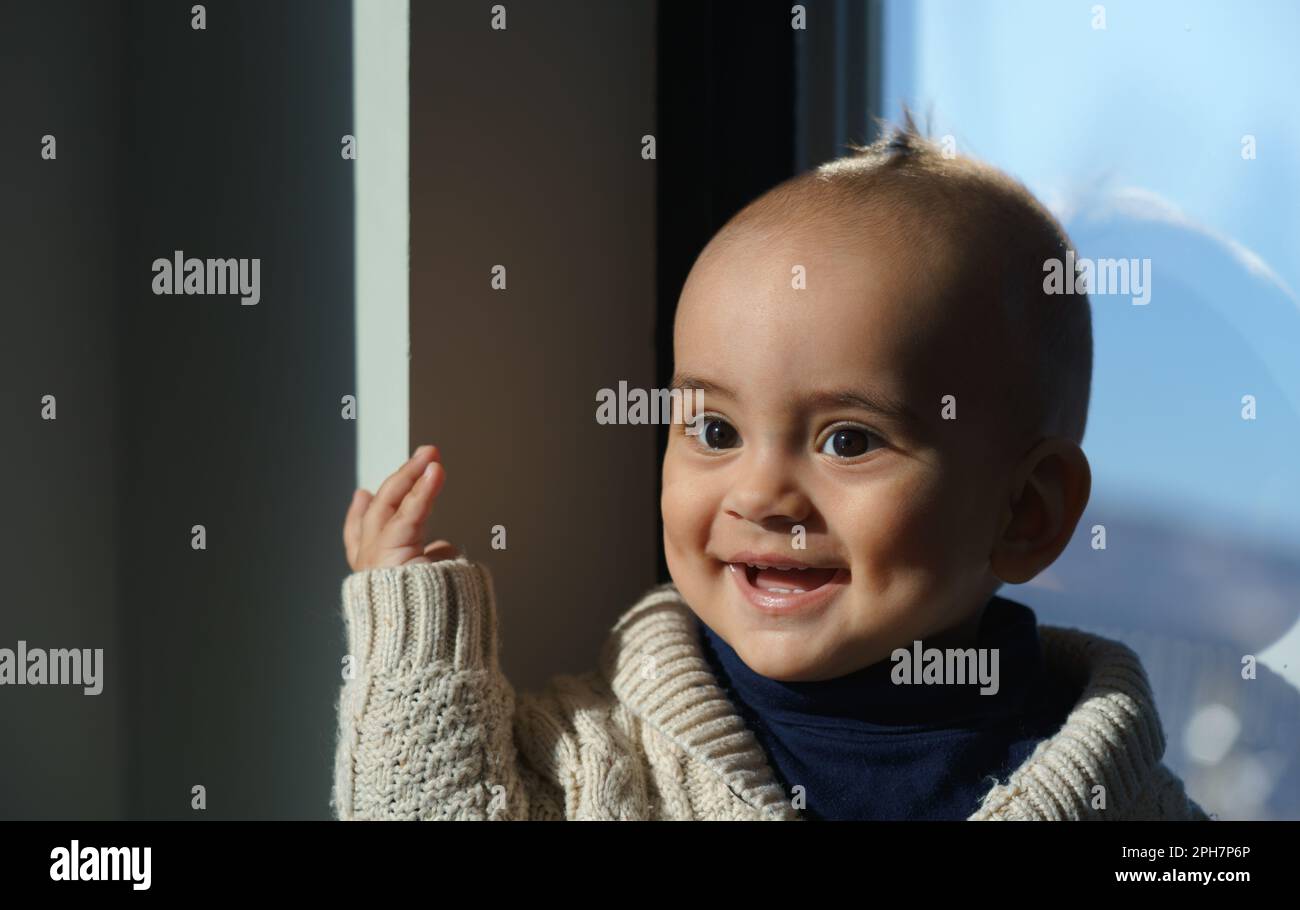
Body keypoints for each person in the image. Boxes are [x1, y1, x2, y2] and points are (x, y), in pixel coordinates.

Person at [331, 115, 1209, 820]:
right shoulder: (598, 749)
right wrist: (416, 638)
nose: (758, 494)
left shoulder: (1123, 802)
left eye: (849, 441)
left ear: (1025, 513)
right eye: (714, 431)